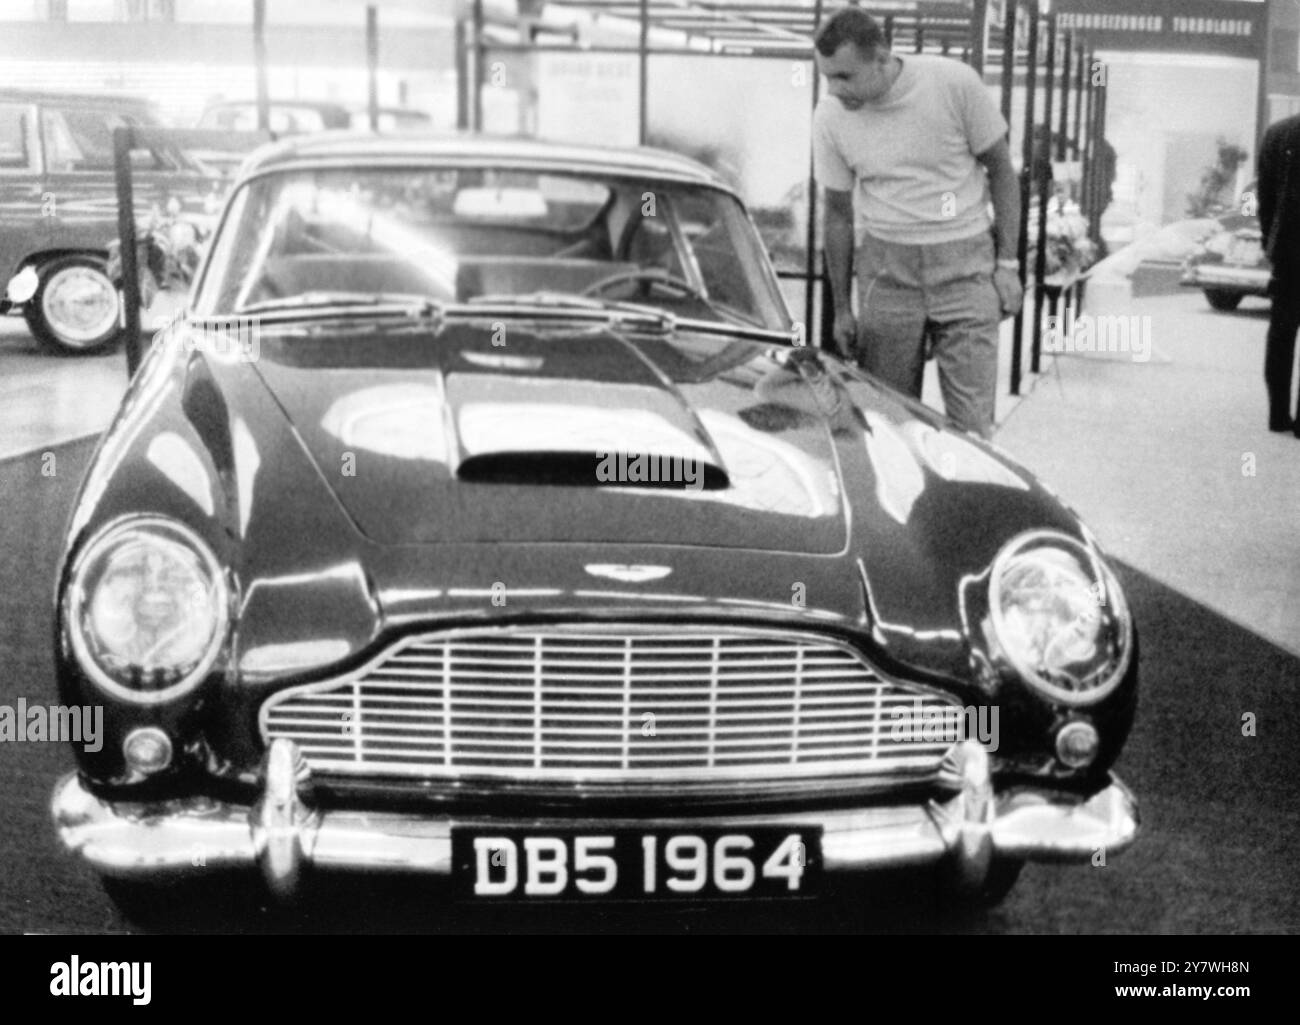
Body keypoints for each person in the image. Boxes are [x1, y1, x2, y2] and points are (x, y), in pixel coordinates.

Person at [811, 7, 1023, 439]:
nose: (834, 89)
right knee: (888, 422)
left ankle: (969, 503)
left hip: (966, 269)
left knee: (972, 427)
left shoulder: (953, 83)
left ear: (882, 58)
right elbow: (837, 214)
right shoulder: (830, 117)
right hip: (887, 275)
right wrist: (841, 309)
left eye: (845, 77)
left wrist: (1008, 265)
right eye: (826, 76)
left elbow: (1002, 171)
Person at [1256, 112, 1300, 435]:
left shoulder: (1278, 132)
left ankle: (1277, 415)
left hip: (1287, 248)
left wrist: (1268, 240)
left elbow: (1265, 198)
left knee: (1281, 334)